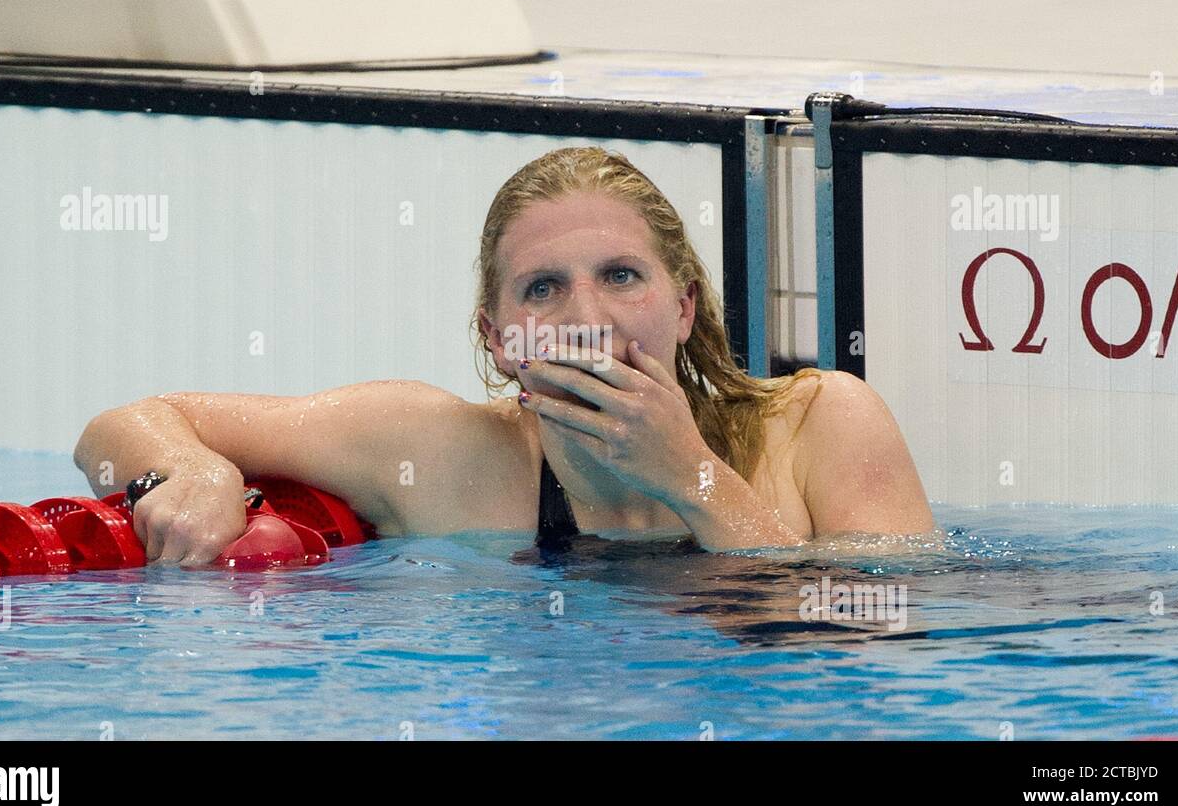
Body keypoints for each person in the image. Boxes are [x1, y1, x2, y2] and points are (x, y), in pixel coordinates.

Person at [73, 146, 935, 565]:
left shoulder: (822, 425)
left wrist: (690, 477)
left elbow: (866, 650)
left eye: (621, 276)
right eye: (542, 289)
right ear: (497, 338)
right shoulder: (440, 453)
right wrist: (193, 471)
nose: (585, 320)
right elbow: (118, 428)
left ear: (682, 306)